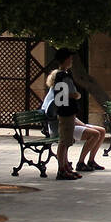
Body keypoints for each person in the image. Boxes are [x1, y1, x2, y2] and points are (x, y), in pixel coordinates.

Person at [46, 49, 85, 180]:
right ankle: (61, 169)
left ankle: (66, 167)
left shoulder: (64, 75)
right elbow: (60, 97)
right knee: (64, 142)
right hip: (66, 112)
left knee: (67, 141)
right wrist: (75, 95)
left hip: (68, 111)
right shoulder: (62, 76)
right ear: (65, 59)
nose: (71, 60)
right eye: (70, 58)